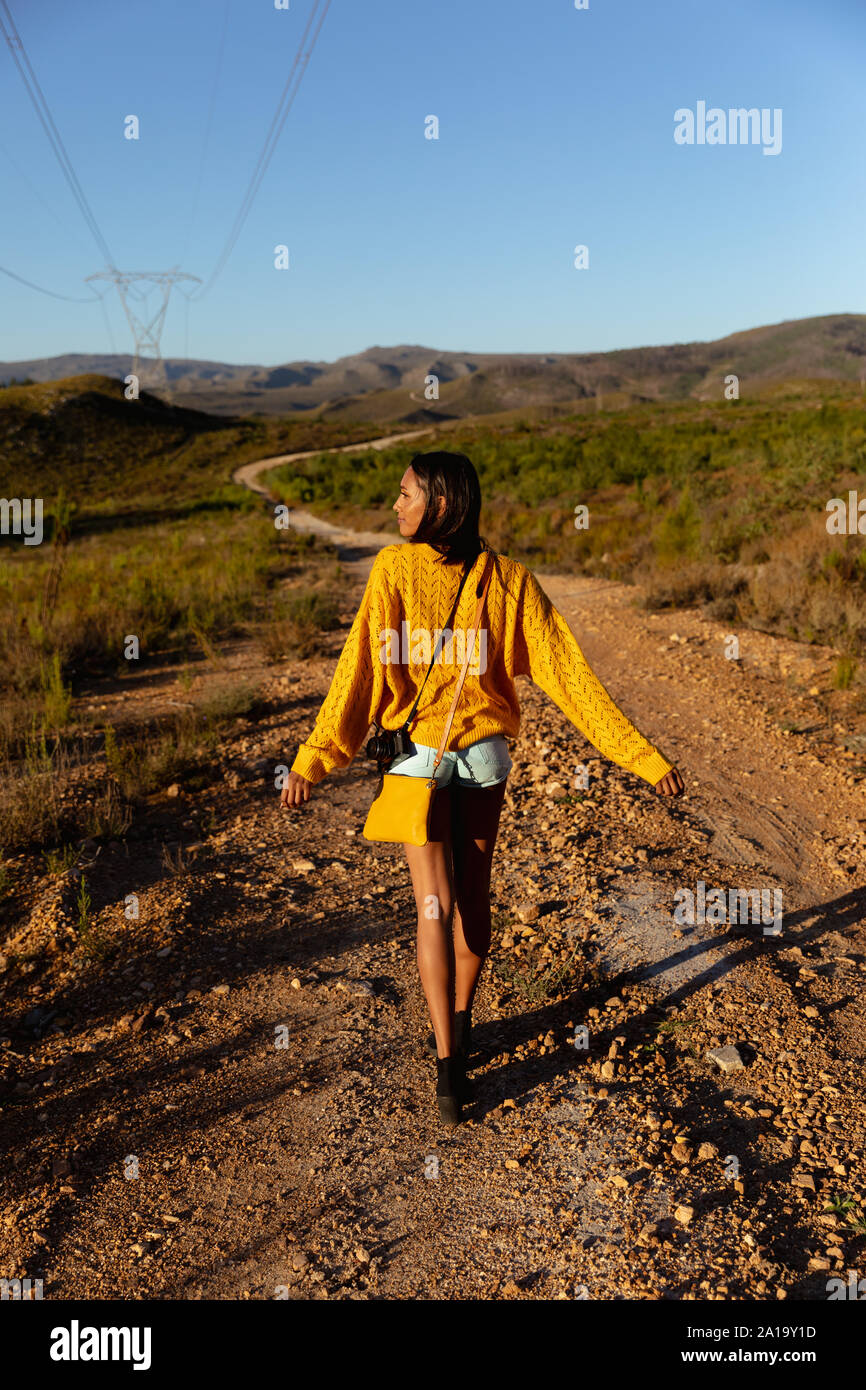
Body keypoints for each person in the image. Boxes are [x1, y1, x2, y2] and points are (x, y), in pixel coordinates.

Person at [279, 450, 684, 1125]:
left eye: (406, 494)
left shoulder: (393, 570)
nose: (396, 506)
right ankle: (463, 1024)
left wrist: (317, 757)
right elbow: (571, 678)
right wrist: (639, 757)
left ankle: (448, 1065)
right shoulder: (511, 581)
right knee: (473, 896)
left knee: (432, 907)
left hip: (416, 757)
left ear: (439, 503)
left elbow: (360, 670)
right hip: (485, 756)